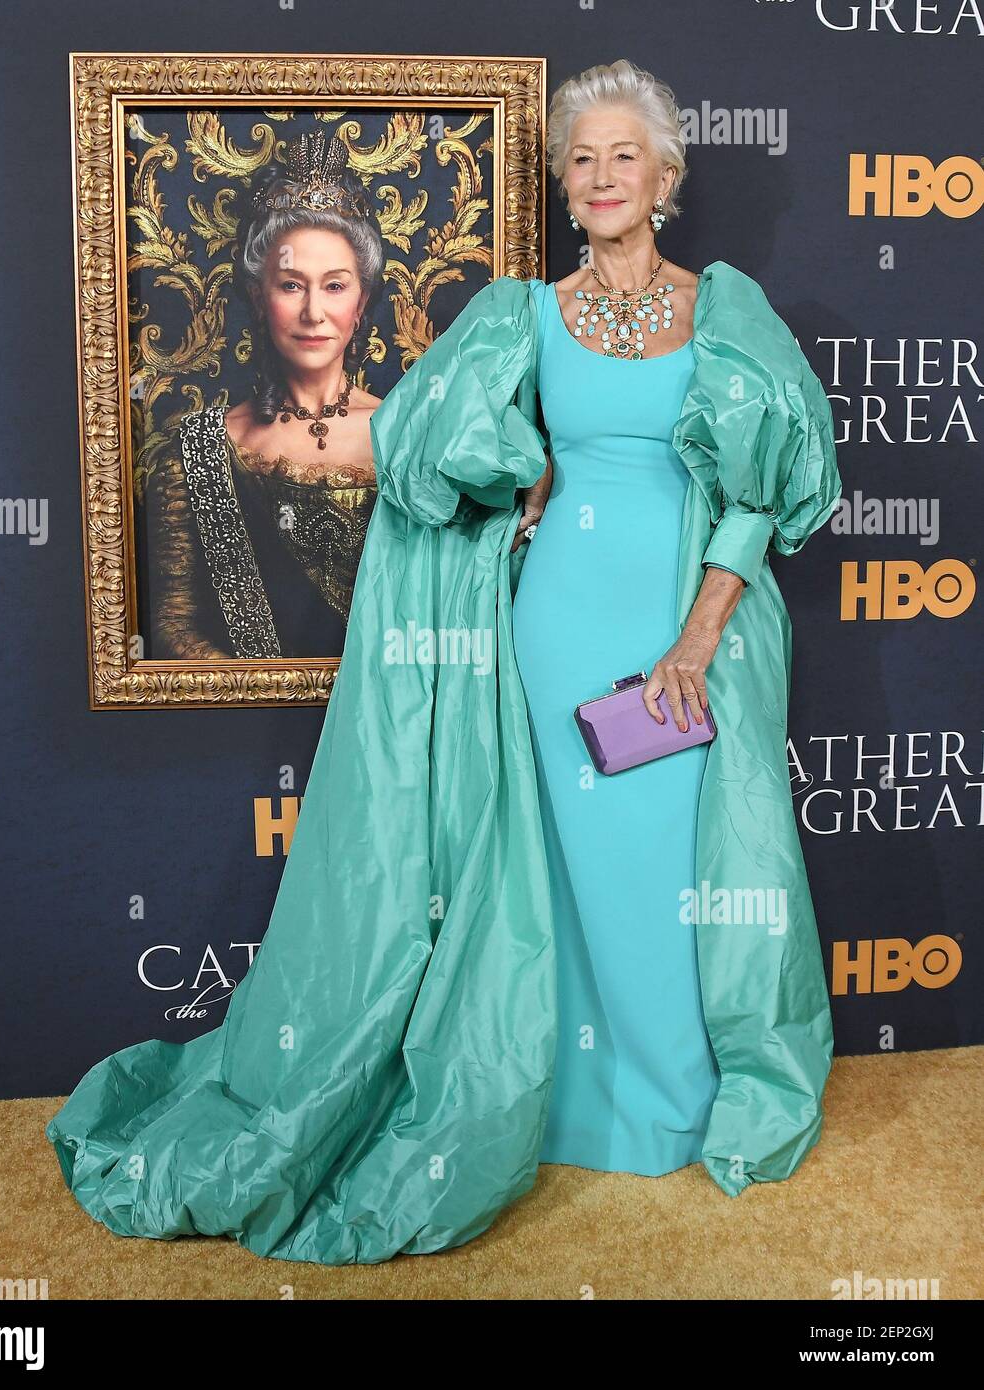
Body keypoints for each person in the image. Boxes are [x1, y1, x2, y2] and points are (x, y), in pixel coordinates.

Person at [46, 60, 841, 1265]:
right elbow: (421, 442)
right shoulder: (524, 312)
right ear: (563, 185)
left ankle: (672, 1098)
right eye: (579, 158)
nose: (600, 176)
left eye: (623, 155)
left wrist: (699, 627)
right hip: (552, 622)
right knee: (549, 867)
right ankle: (553, 1097)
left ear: (665, 176)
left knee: (668, 867)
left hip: (690, 635)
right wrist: (518, 467)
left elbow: (768, 483)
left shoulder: (724, 307)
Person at [145, 129, 383, 660]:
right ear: (258, 295)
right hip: (246, 725)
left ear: (361, 301)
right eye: (291, 284)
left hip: (391, 726)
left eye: (335, 286)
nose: (314, 313)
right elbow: (177, 634)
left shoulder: (414, 436)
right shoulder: (199, 455)